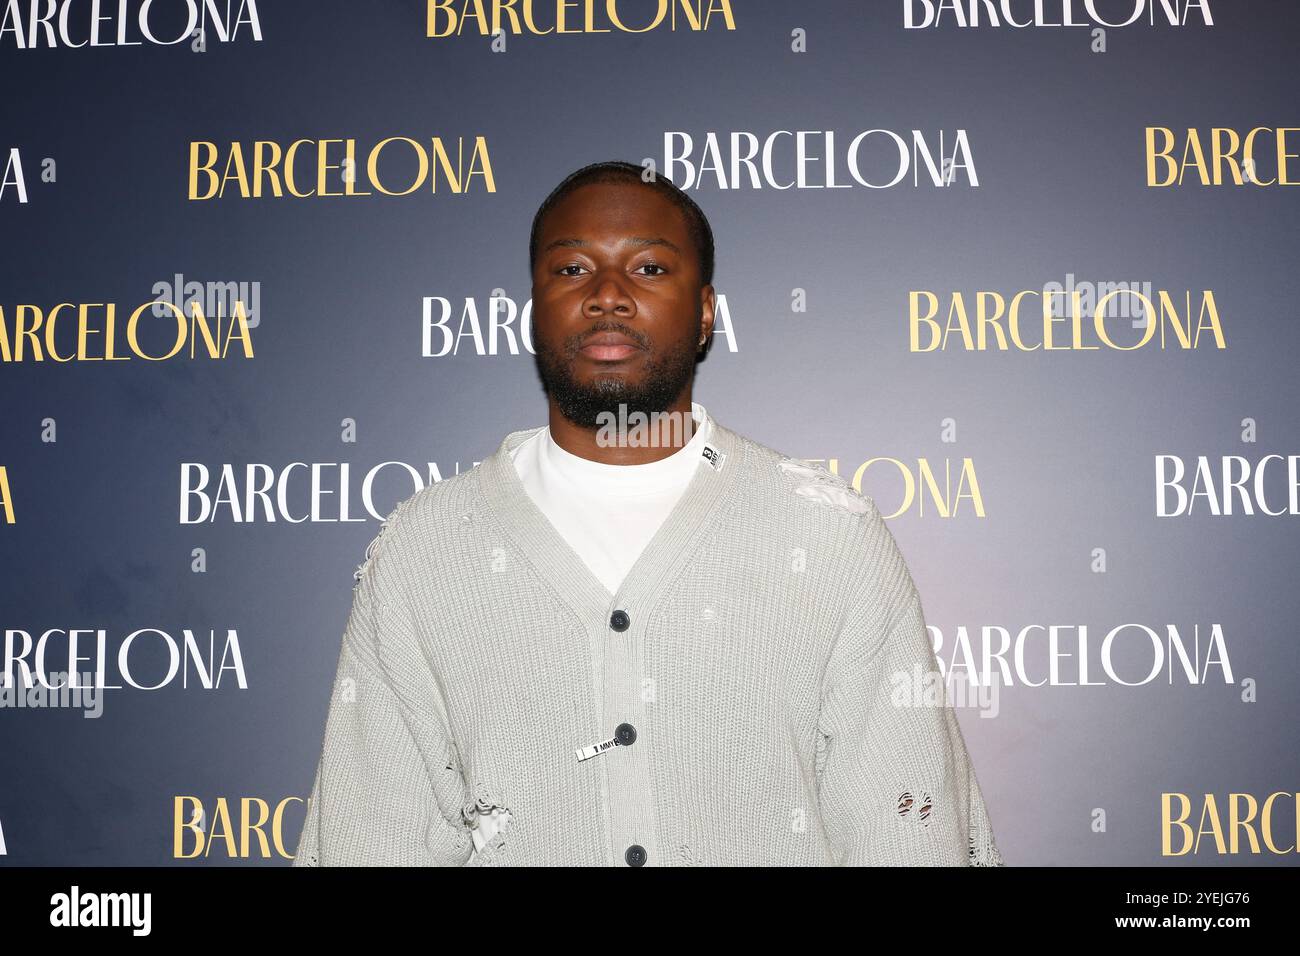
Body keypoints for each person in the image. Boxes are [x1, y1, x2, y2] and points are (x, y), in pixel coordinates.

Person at [292, 160, 1003, 866]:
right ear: (531, 307)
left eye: (650, 269)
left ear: (704, 313)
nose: (607, 295)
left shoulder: (826, 534)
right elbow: (373, 834)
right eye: (571, 270)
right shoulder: (427, 548)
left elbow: (907, 833)